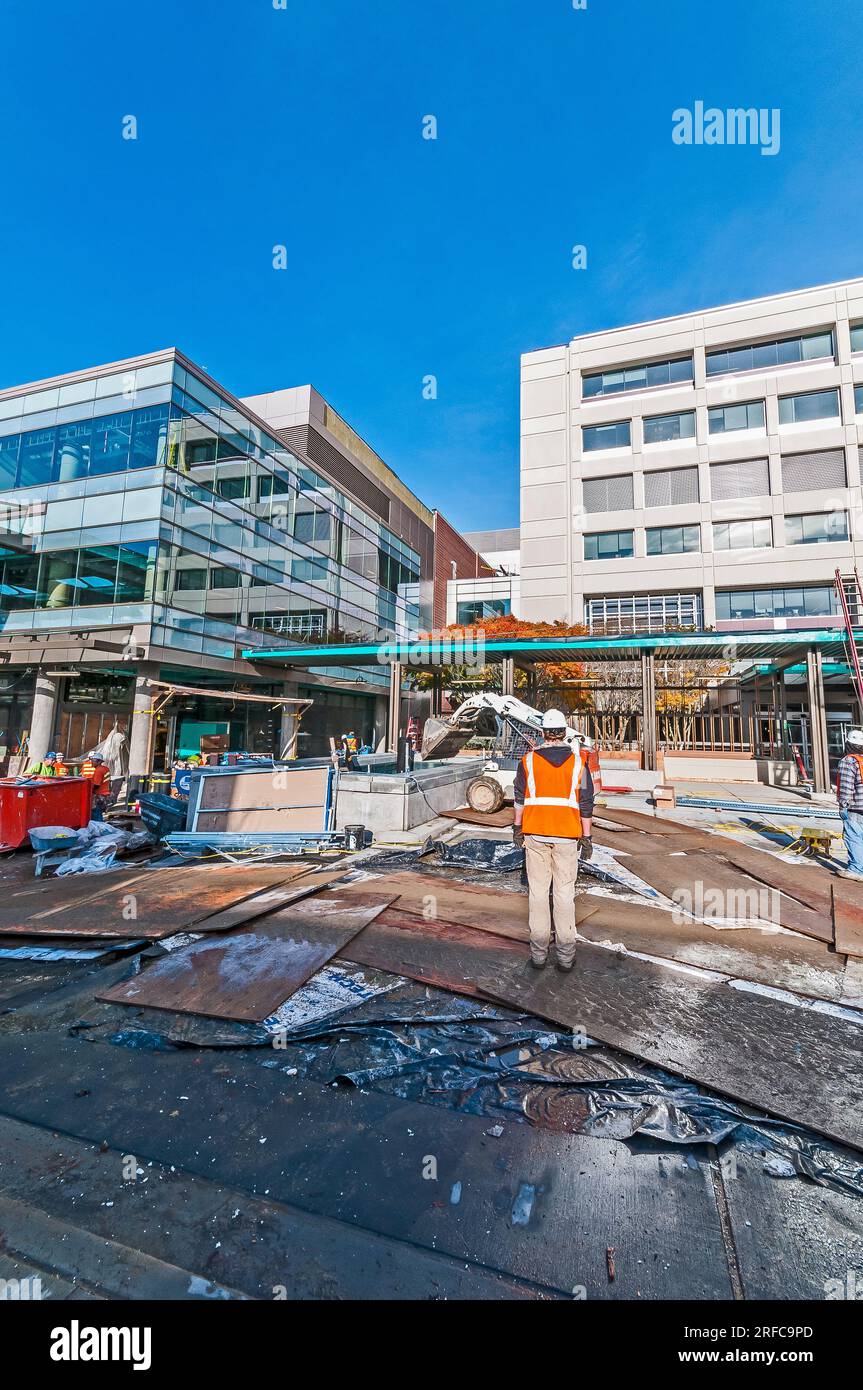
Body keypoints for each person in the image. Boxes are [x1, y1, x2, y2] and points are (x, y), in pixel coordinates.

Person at [512, 710, 595, 971]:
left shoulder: (527, 761)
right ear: (564, 731)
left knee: (537, 893)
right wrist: (587, 836)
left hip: (535, 834)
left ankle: (538, 956)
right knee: (563, 894)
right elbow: (586, 803)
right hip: (568, 837)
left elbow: (519, 798)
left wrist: (517, 828)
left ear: (544, 732)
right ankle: (566, 957)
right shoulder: (579, 763)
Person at [836, 729, 863, 878]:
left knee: (854, 837)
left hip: (856, 807)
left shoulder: (849, 761)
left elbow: (846, 786)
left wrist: (843, 805)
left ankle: (857, 870)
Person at [81, 752, 112, 820]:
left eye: (93, 760)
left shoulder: (98, 770)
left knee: (96, 814)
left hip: (99, 795)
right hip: (105, 794)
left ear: (99, 761)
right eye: (91, 760)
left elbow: (96, 785)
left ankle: (98, 828)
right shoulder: (105, 768)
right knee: (99, 813)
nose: (91, 762)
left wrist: (87, 791)